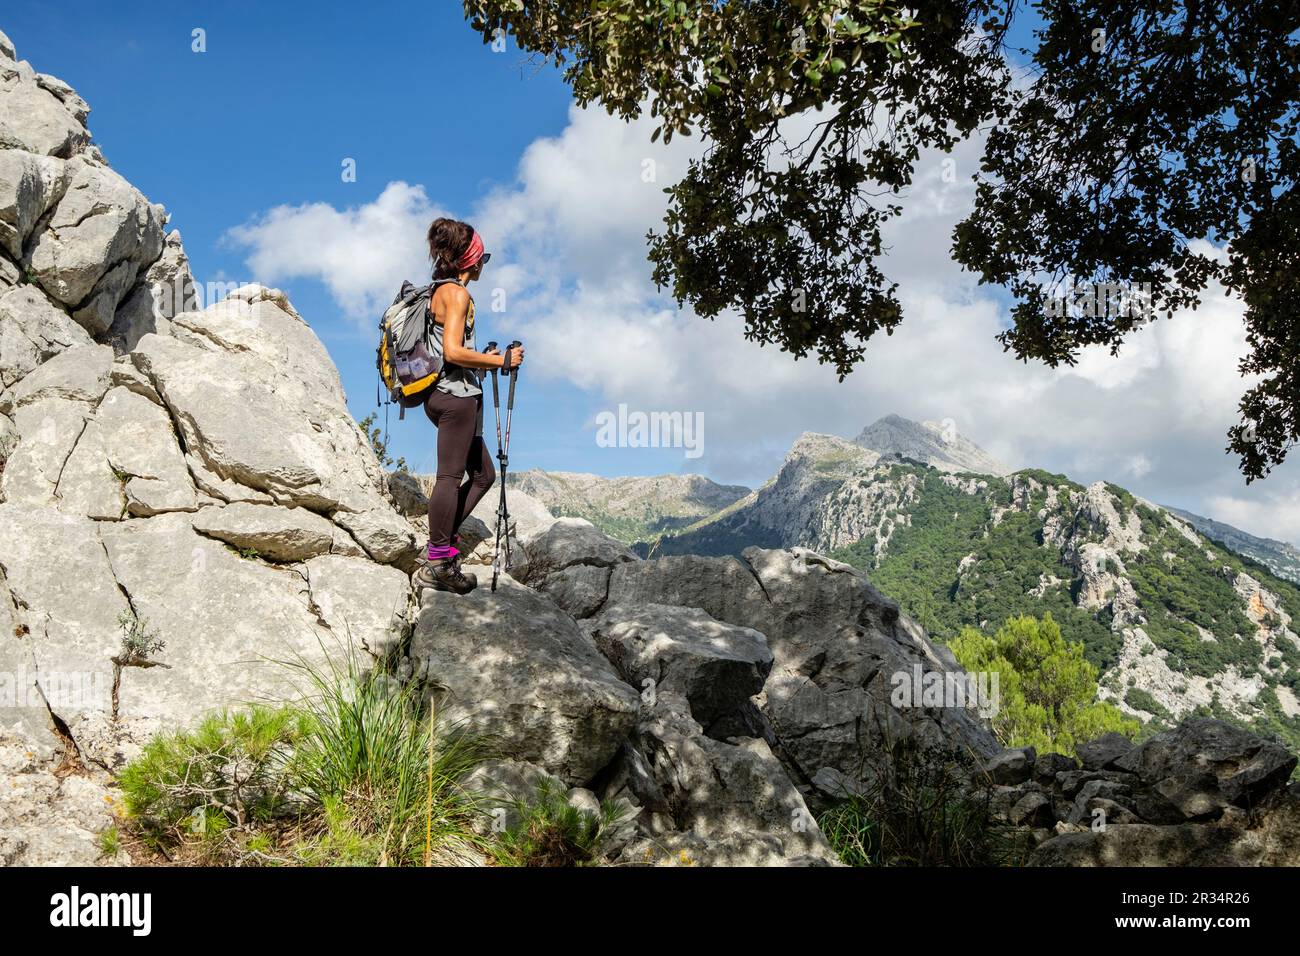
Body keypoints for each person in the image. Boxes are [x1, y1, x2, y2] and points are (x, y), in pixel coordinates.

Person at [413, 218, 524, 594]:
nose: (483, 266)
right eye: (483, 258)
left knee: (483, 475)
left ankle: (441, 545)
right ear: (471, 261)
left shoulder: (438, 291)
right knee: (449, 477)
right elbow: (452, 351)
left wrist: (483, 357)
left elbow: (456, 349)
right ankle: (439, 561)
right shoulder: (457, 294)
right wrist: (502, 361)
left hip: (445, 394)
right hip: (455, 399)